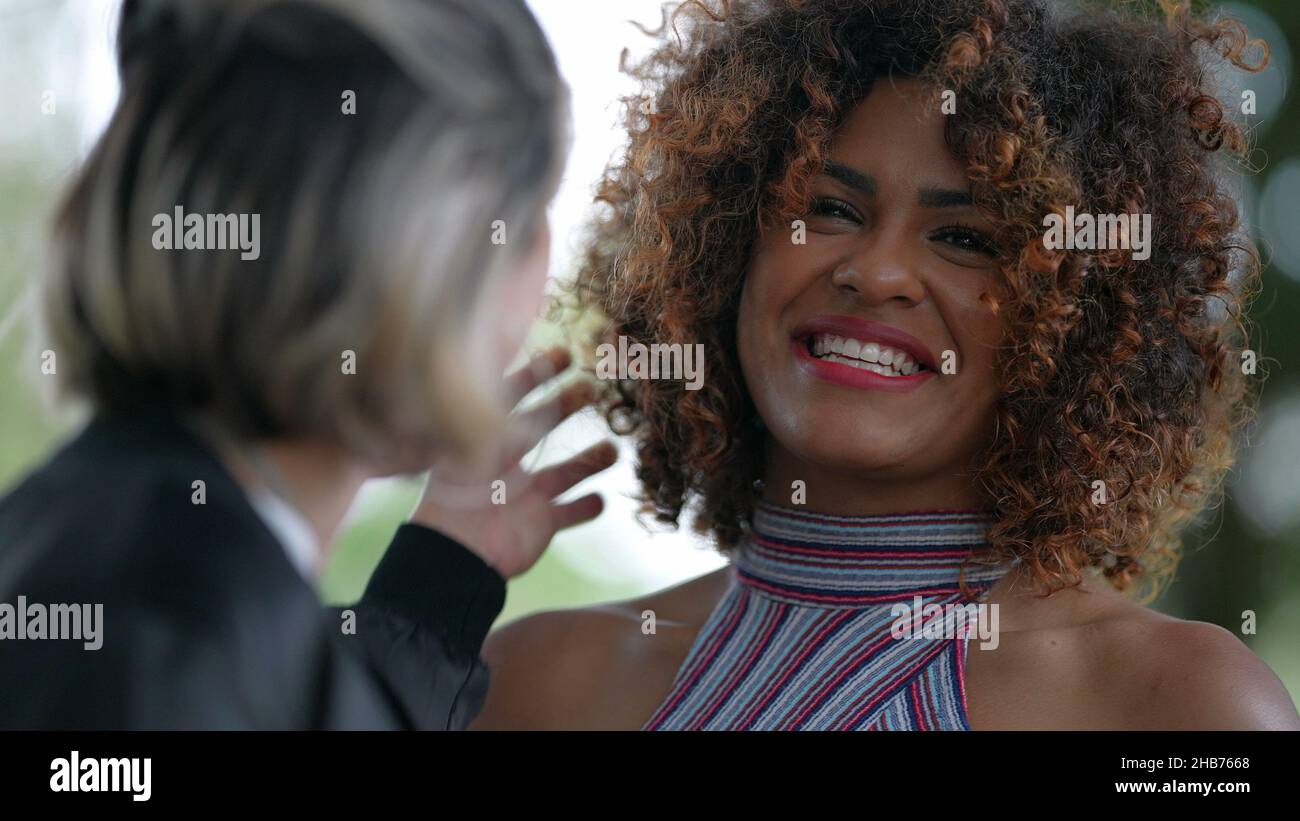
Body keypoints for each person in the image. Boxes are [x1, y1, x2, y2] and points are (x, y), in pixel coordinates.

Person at [474, 0, 1300, 730]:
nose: (877, 272)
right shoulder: (528, 681)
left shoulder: (1176, 705)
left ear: (1080, 319)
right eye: (829, 209)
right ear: (724, 253)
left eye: (967, 238)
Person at [0, 0, 615, 729]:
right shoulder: (161, 628)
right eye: (528, 213)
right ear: (427, 248)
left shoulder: (113, 554)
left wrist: (443, 566)